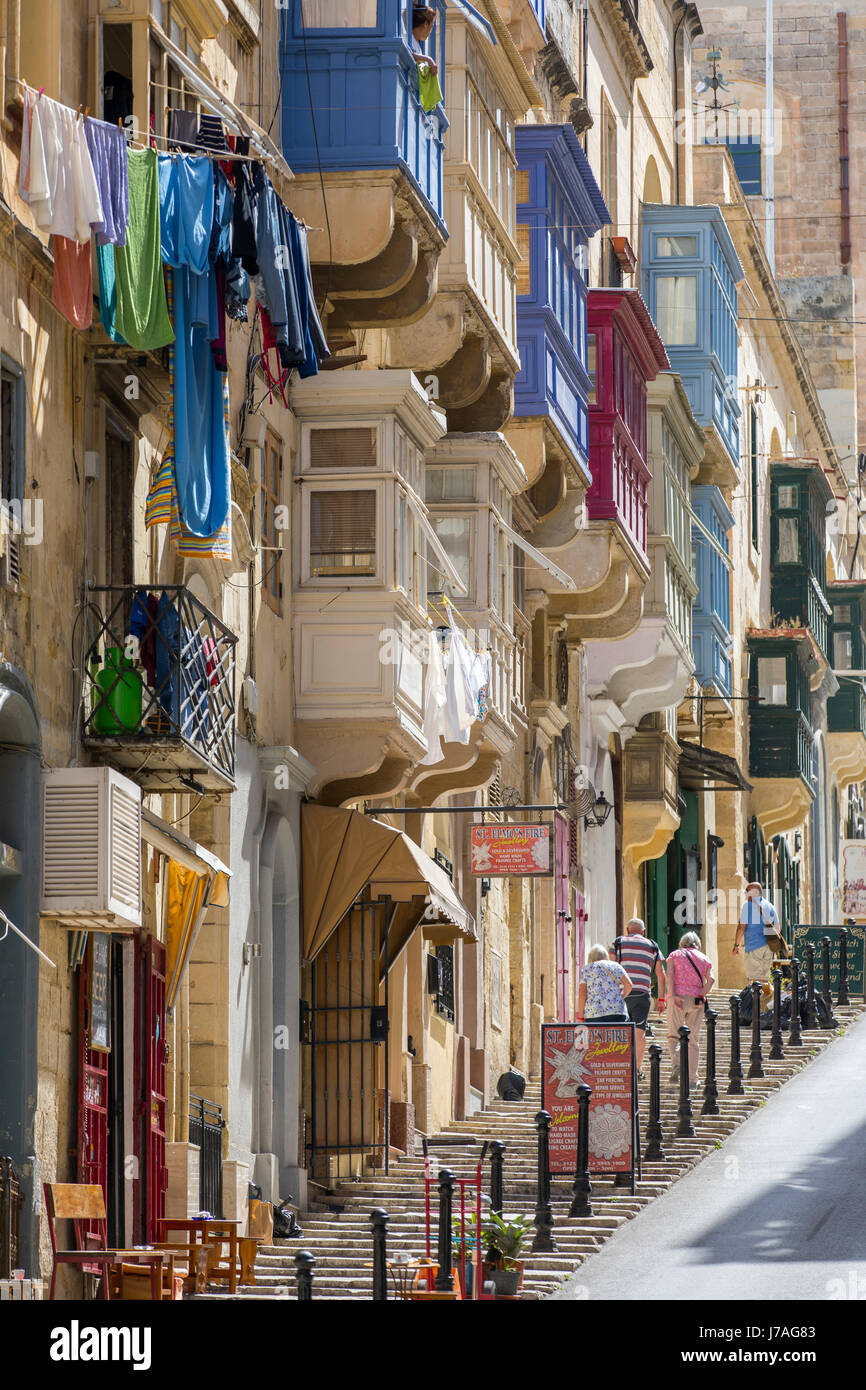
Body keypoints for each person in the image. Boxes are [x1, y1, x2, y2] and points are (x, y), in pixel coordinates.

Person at [611, 917, 666, 1077]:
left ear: (627, 930)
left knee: (620, 1030)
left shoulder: (618, 943)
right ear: (643, 931)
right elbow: (660, 974)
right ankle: (637, 1069)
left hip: (621, 994)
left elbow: (611, 968)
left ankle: (620, 1068)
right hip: (642, 994)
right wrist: (661, 999)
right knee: (639, 1032)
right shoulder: (653, 946)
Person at [665, 931, 715, 1088]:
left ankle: (677, 1064)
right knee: (693, 1039)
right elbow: (711, 979)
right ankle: (693, 1079)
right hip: (695, 1001)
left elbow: (670, 974)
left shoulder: (674, 955)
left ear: (682, 943)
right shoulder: (704, 958)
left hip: (677, 998)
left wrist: (672, 995)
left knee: (674, 1035)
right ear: (697, 945)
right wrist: (701, 995)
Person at [733, 881, 781, 984]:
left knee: (756, 981)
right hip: (768, 947)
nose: (745, 894)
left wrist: (736, 945)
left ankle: (759, 1000)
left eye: (747, 891)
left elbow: (741, 928)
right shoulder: (770, 906)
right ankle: (766, 999)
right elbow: (777, 927)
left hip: (754, 947)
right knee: (764, 979)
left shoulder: (748, 906)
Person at [578, 943, 633, 1023]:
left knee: (597, 1035)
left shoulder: (587, 969)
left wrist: (580, 1017)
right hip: (616, 1012)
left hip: (593, 1013)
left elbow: (582, 993)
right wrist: (621, 997)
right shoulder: (616, 966)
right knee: (617, 1035)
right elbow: (629, 985)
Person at [411, 5, 438, 74]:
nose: (431, 31)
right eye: (431, 26)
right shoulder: (408, 38)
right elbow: (408, 53)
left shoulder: (417, 45)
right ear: (426, 24)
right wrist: (428, 60)